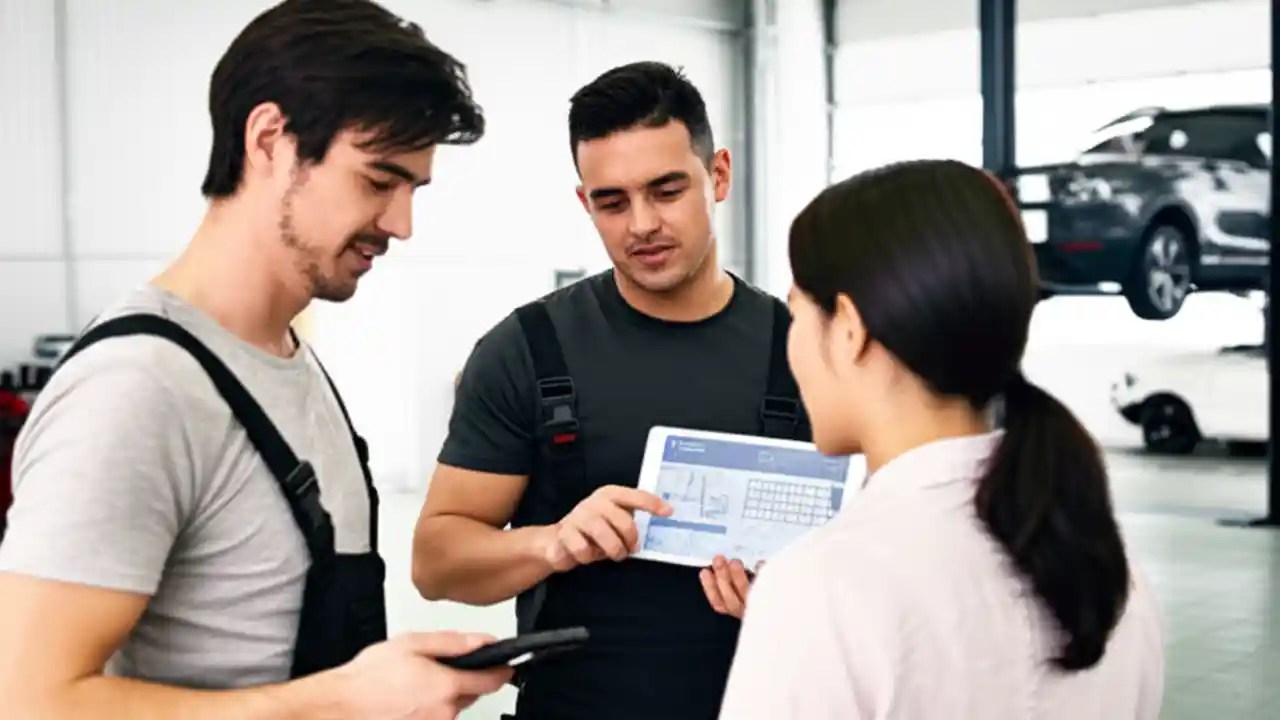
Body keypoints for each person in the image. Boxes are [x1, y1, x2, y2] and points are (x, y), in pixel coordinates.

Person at [0, 1, 513, 717]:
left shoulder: (290, 361)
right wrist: (337, 702)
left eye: (411, 190)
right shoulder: (136, 388)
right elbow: (31, 701)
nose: (401, 224)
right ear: (270, 139)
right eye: (377, 181)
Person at [411, 61, 811, 720]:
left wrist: (799, 593)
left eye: (666, 189)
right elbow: (436, 562)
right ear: (584, 203)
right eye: (613, 201)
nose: (642, 224)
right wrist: (551, 542)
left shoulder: (803, 349)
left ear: (719, 176)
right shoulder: (526, 351)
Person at [717, 159, 1166, 719]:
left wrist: (795, 635)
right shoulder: (1109, 574)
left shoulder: (822, 588)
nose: (792, 346)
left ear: (850, 329)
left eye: (797, 315)